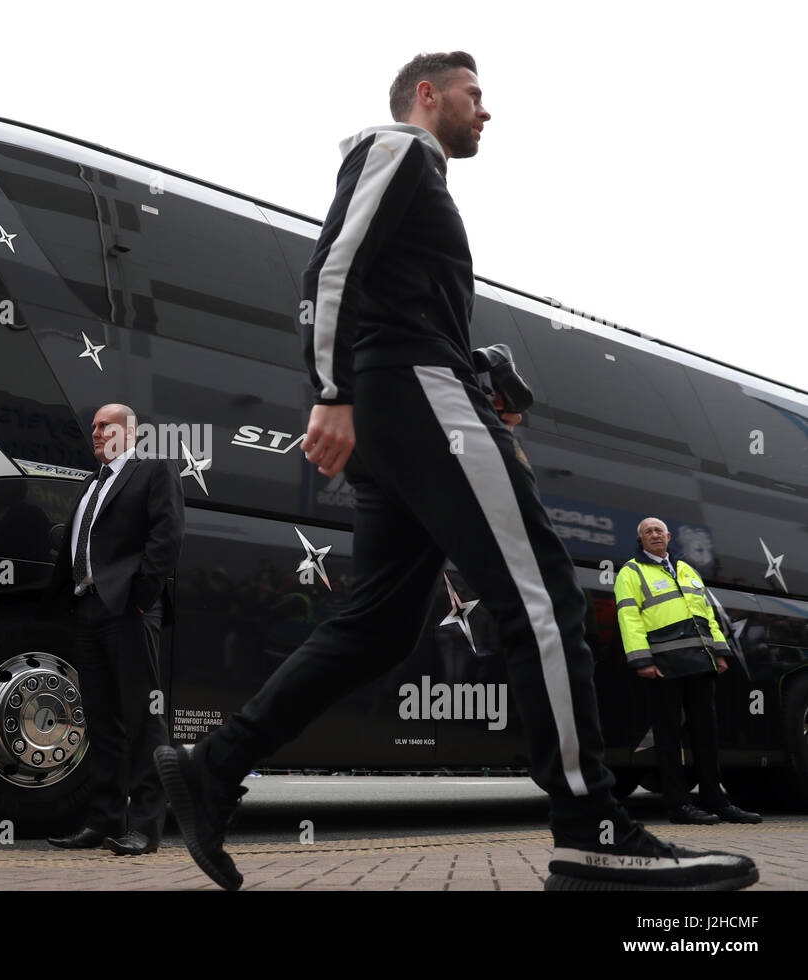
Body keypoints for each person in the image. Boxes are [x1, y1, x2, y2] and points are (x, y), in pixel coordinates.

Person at [154, 51, 758, 892]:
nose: (487, 111)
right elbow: (331, 268)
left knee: (375, 628)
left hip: (411, 397)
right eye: (476, 94)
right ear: (427, 95)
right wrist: (330, 389)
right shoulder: (398, 150)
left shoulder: (415, 180)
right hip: (411, 394)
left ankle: (214, 768)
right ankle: (591, 827)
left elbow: (382, 290)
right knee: (541, 594)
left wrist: (471, 368)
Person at [42, 404, 184, 855]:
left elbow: (167, 535)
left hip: (130, 609)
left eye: (106, 426)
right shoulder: (91, 483)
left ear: (131, 431)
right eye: (95, 427)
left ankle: (146, 826)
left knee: (143, 720)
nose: (96, 432)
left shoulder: (153, 469)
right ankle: (103, 822)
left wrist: (141, 597)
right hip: (89, 611)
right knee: (101, 722)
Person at [615, 517, 761, 824]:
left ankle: (715, 800)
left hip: (700, 664)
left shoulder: (686, 570)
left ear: (668, 536)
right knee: (668, 740)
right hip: (664, 667)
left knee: (706, 736)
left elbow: (707, 614)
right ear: (640, 540)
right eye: (647, 532)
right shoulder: (631, 572)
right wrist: (642, 661)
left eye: (658, 531)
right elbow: (629, 619)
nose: (654, 535)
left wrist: (720, 653)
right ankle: (679, 805)